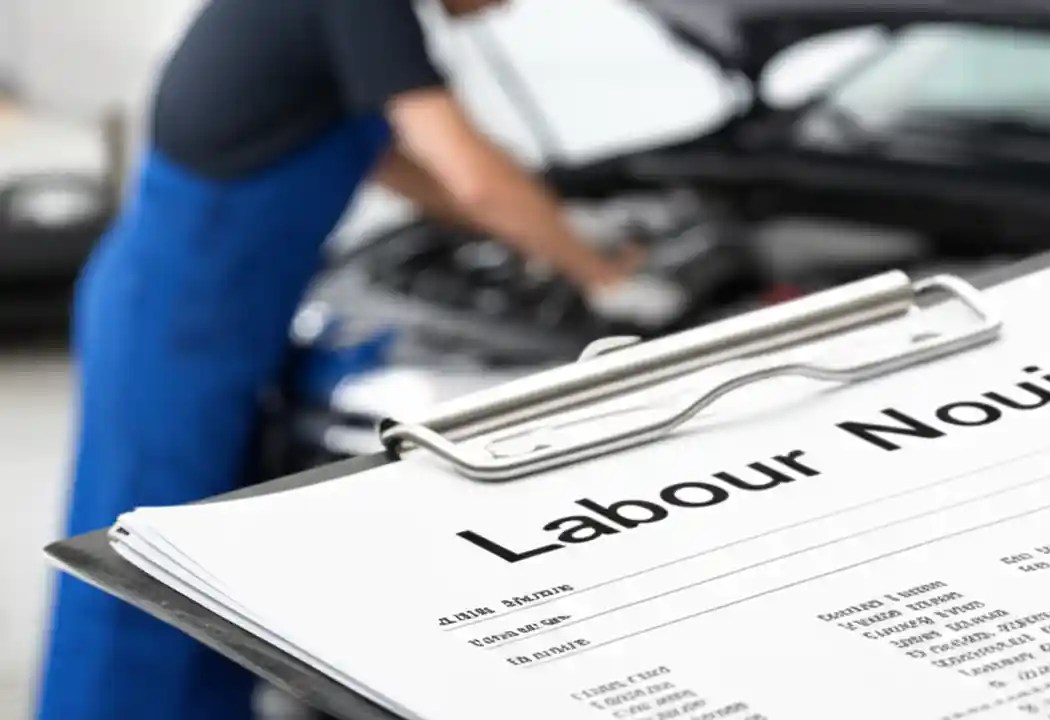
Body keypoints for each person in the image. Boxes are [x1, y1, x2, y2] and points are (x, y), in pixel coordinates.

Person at [37, 1, 687, 719]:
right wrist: (604, 280)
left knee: (208, 578)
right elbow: (466, 171)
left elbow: (405, 167)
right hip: (171, 323)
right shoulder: (364, 6)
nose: (509, 7)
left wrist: (557, 235)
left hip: (234, 318)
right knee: (144, 571)